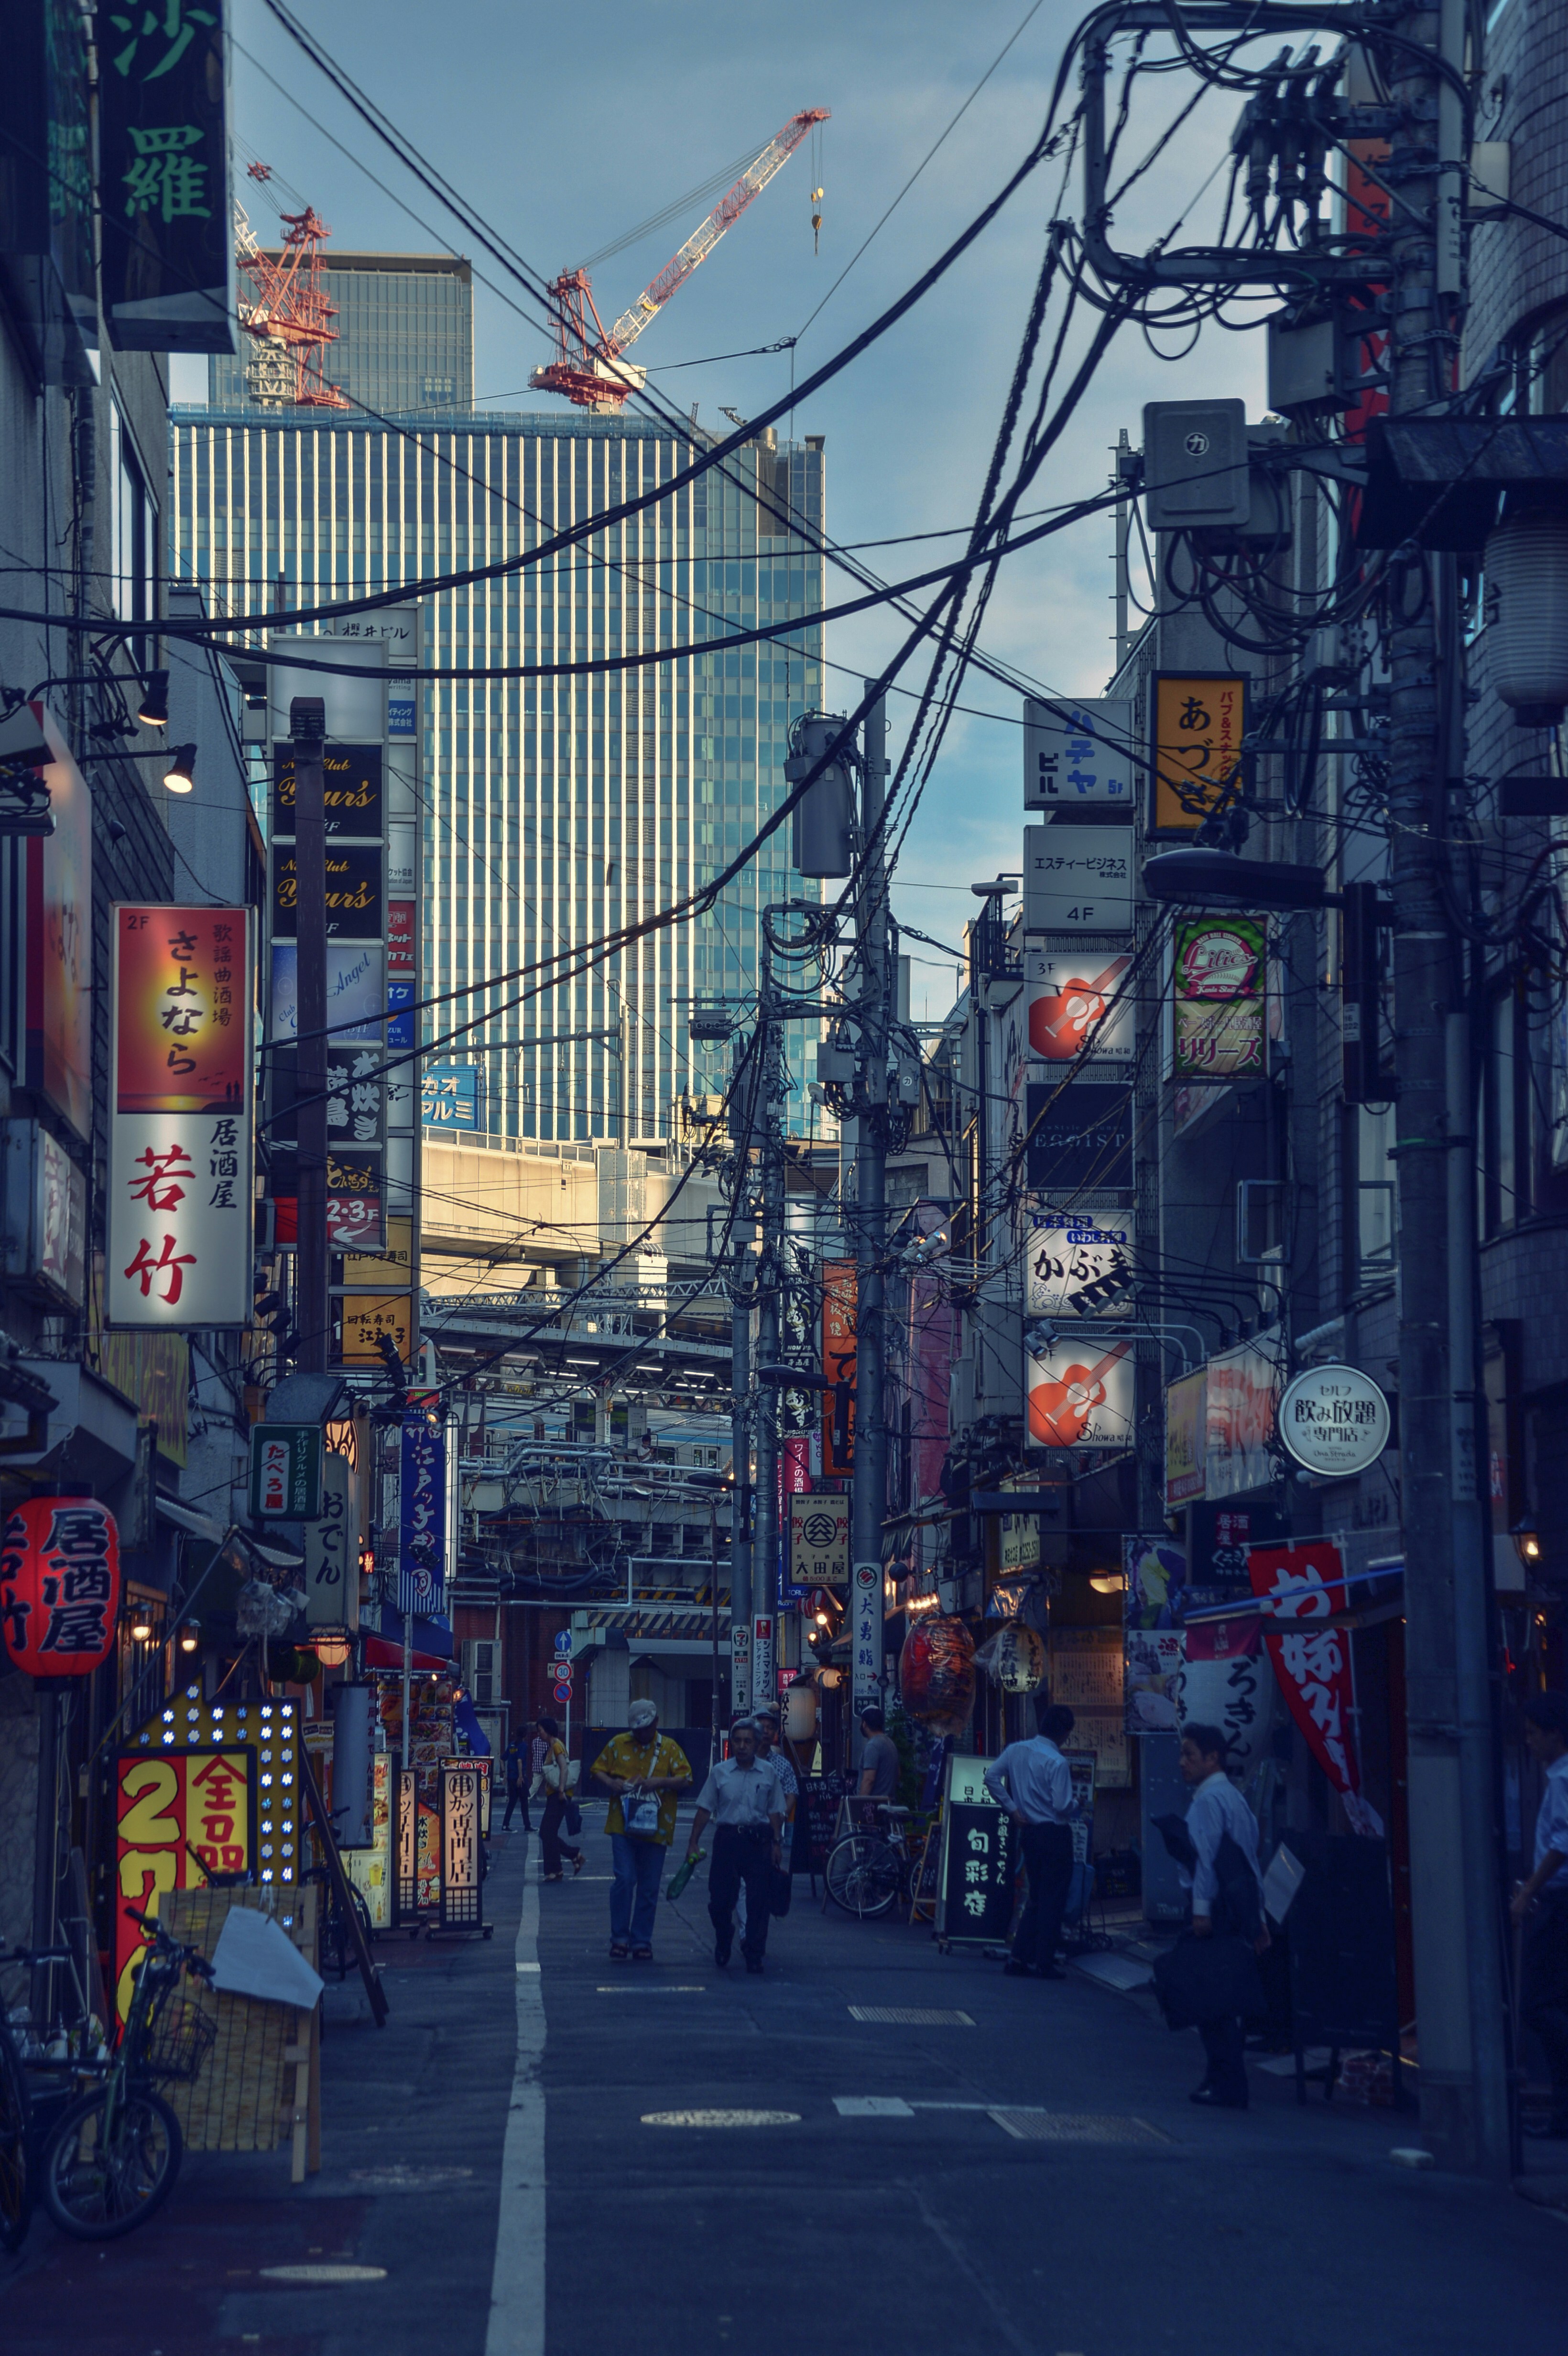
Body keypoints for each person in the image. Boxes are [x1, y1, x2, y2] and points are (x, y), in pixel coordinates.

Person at [1179, 1720, 1265, 2110]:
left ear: (1213, 1758)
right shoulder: (1234, 1797)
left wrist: (1200, 1910)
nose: (1183, 1763)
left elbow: (1207, 1861)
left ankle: (1226, 2082)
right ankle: (1222, 2079)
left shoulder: (1208, 1801)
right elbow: (1250, 1863)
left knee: (1213, 2001)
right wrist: (1258, 1918)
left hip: (1214, 1910)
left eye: (1190, 1755)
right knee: (1222, 2000)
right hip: (1236, 1908)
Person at [591, 1699, 692, 1961]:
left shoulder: (669, 1748)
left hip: (657, 1826)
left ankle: (641, 1941)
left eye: (646, 1729)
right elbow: (597, 1770)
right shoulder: (618, 1743)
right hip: (622, 1824)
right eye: (637, 1731)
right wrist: (612, 1783)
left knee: (649, 1886)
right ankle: (620, 1938)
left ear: (657, 1723)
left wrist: (659, 1781)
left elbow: (686, 1778)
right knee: (624, 1879)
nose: (642, 1735)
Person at [984, 1701, 1078, 1981]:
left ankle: (1019, 1958)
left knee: (1037, 1896)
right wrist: (1077, 1804)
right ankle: (1042, 1962)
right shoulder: (1057, 1762)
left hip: (1029, 1832)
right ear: (1065, 1733)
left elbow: (991, 1777)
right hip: (1054, 1833)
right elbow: (1062, 1806)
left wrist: (1012, 1809)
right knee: (1053, 1899)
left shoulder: (1017, 1750)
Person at [686, 1720, 786, 1974]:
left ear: (757, 1743)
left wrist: (777, 1843)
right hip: (728, 1840)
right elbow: (705, 1808)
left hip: (758, 1842)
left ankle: (754, 1953)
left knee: (758, 1903)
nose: (742, 1746)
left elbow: (775, 1810)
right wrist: (693, 1842)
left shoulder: (768, 1773)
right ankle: (724, 1936)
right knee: (719, 1901)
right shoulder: (720, 1772)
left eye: (748, 1741)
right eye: (738, 1741)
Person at [1512, 1691, 1568, 2139]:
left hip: (1558, 1904)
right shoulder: (1557, 1778)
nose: (1529, 1741)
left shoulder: (1565, 1778)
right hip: (1553, 1901)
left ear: (1555, 1734)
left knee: (1538, 2004)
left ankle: (1562, 2110)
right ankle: (1560, 2113)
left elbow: (1564, 1843)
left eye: (1534, 1733)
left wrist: (1529, 1890)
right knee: (1549, 2005)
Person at [534, 1713, 582, 1882]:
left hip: (558, 1795)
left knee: (547, 1832)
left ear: (548, 1731)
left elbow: (564, 1768)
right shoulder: (553, 1746)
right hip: (555, 1795)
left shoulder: (556, 1746)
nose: (539, 1734)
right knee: (548, 1833)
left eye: (540, 1731)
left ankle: (555, 1870)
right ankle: (566, 1861)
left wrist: (561, 1790)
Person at [856, 1706, 900, 1822]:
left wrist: (859, 1807)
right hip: (889, 1805)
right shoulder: (890, 1743)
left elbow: (869, 1780)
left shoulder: (873, 1746)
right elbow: (898, 1774)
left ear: (864, 1724)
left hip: (873, 1809)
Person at [501, 1725, 533, 1833]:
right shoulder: (523, 1746)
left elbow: (502, 1759)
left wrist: (504, 1774)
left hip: (510, 1777)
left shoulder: (511, 1745)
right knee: (524, 1802)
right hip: (519, 1777)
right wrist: (521, 1776)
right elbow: (520, 1761)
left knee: (512, 1802)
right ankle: (527, 1826)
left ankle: (505, 1825)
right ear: (525, 1735)